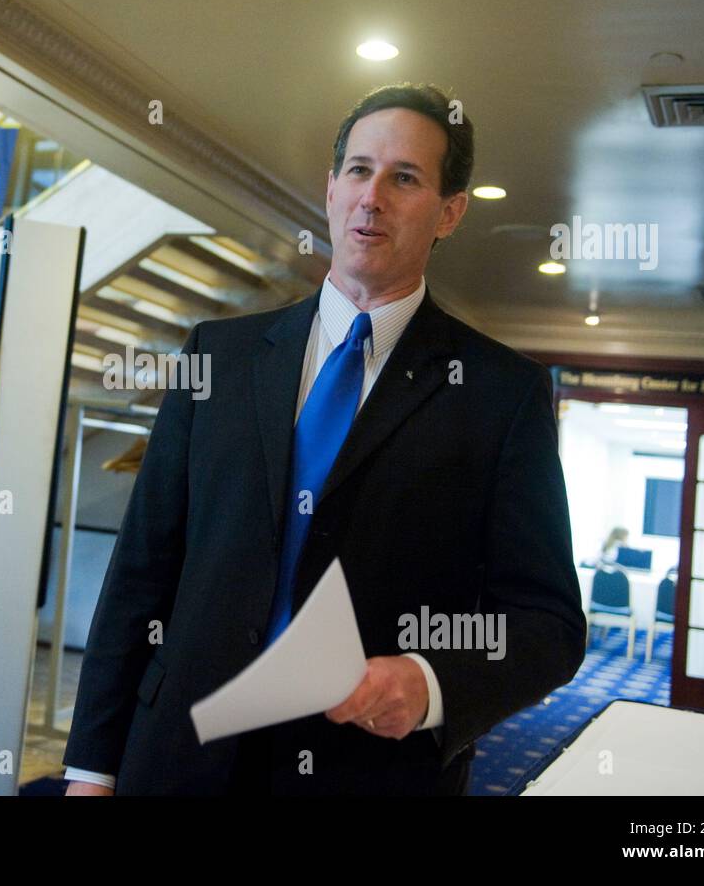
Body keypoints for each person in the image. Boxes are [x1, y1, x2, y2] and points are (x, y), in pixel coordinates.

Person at [62, 84, 586, 795]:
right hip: (179, 755)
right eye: (359, 170)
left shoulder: (501, 393)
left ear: (450, 212)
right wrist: (91, 769)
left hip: (369, 773)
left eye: (405, 178)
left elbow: (547, 623)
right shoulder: (217, 356)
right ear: (331, 187)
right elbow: (140, 572)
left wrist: (429, 682)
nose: (373, 197)